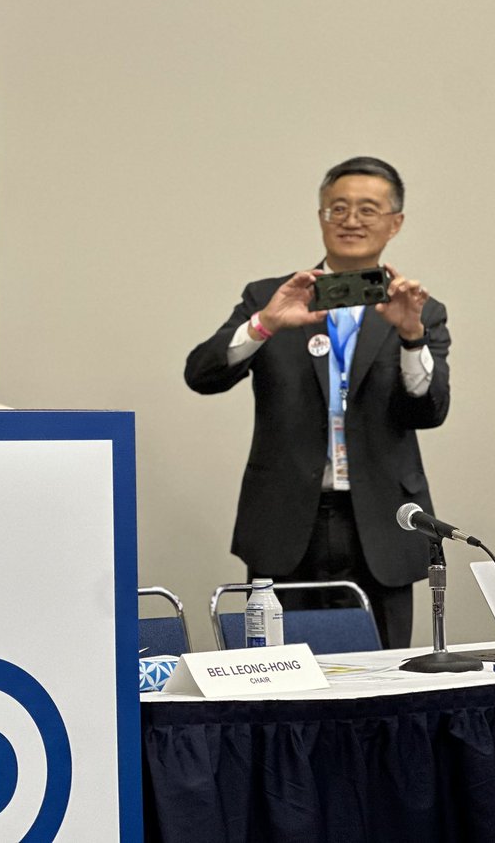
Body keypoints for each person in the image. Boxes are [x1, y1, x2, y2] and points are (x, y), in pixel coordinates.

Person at [184, 156, 449, 648]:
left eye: (368, 209)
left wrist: (411, 336)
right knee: (285, 688)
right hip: (286, 520)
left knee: (385, 688)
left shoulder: (419, 308)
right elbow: (201, 375)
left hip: (382, 523)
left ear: (396, 223)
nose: (351, 220)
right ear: (321, 216)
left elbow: (429, 409)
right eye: (339, 208)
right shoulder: (274, 297)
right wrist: (263, 324)